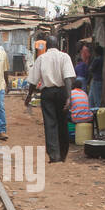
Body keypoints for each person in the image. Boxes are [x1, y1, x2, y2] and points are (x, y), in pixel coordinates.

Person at [23, 32, 75, 162]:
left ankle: (54, 155)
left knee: (50, 123)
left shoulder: (41, 58)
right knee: (62, 122)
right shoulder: (65, 57)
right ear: (57, 44)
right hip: (62, 92)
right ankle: (63, 154)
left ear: (46, 46)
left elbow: (33, 80)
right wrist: (69, 97)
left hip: (47, 94)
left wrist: (29, 95)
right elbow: (68, 78)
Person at [89, 43, 105, 108]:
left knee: (96, 99)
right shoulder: (102, 59)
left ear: (96, 52)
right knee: (91, 97)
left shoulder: (97, 59)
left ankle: (97, 114)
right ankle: (92, 113)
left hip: (96, 80)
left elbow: (91, 69)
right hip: (97, 80)